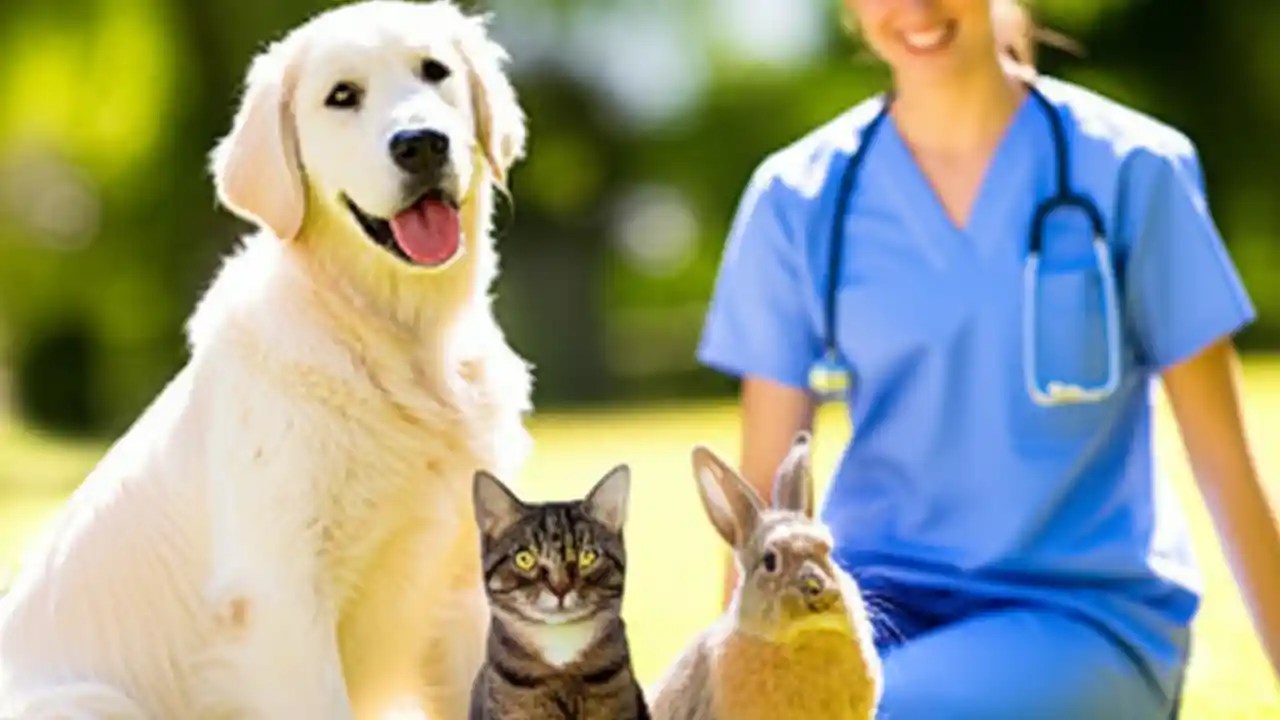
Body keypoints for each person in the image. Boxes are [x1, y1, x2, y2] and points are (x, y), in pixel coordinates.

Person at [694, 0, 1280, 717]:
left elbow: (1225, 464)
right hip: (865, 600)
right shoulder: (798, 198)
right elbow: (760, 497)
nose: (914, 9)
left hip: (1080, 615)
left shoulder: (1132, 170)